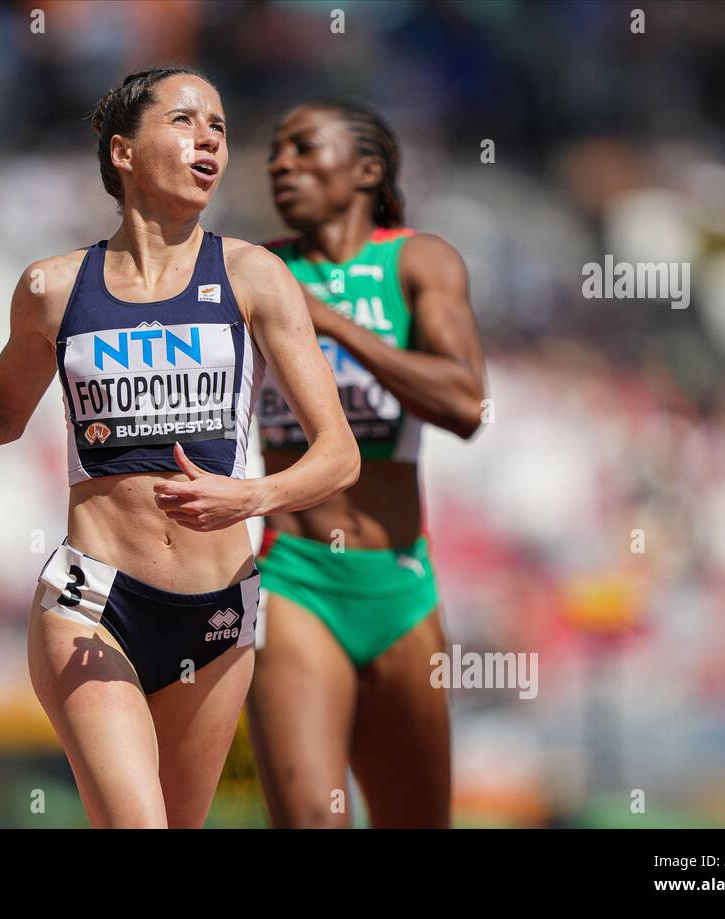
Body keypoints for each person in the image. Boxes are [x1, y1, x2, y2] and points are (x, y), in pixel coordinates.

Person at [0, 68, 359, 828]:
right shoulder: (54, 288)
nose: (208, 138)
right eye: (183, 120)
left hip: (220, 611)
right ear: (124, 152)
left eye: (220, 127)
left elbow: (339, 454)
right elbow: (2, 410)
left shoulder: (254, 278)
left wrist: (253, 495)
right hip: (95, 602)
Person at [246, 100, 487, 828]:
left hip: (400, 584)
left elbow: (466, 403)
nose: (280, 164)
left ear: (367, 170)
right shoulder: (255, 270)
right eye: (275, 152)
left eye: (303, 147)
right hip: (294, 578)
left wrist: (332, 323)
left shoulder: (418, 260)